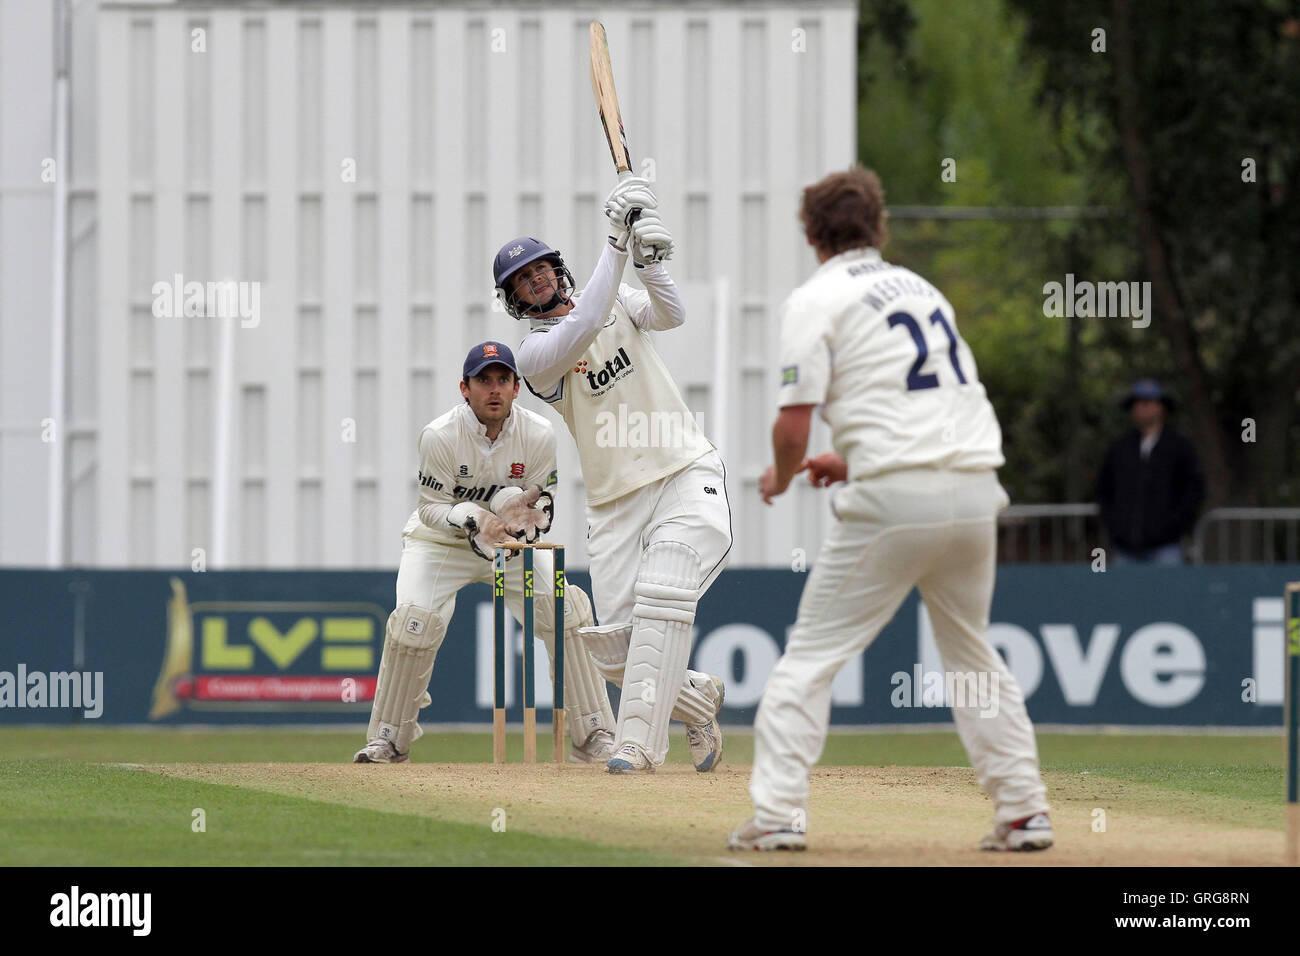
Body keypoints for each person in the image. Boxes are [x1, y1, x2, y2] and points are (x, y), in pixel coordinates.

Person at [728, 167, 1052, 852]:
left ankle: (779, 816)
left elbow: (792, 427)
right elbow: (925, 408)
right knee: (972, 656)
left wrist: (783, 476)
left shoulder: (815, 299)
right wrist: (847, 460)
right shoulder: (922, 289)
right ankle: (1024, 811)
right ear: (879, 228)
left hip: (899, 498)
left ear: (811, 234)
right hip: (973, 489)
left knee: (809, 659)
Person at [491, 176, 730, 774]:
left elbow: (672, 314)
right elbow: (587, 321)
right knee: (617, 652)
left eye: (541, 268)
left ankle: (637, 746)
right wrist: (618, 244)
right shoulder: (534, 357)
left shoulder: (619, 298)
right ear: (515, 299)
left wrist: (649, 262)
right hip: (613, 500)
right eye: (523, 280)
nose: (536, 279)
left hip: (681, 467)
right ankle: (698, 702)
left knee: (663, 594)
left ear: (557, 269)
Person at [353, 341, 618, 764]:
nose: (493, 389)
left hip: (510, 547)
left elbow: (537, 499)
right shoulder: (440, 436)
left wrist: (519, 521)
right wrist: (471, 519)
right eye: (483, 381)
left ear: (517, 387)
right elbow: (429, 507)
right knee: (413, 624)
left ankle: (593, 734)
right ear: (465, 388)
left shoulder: (538, 435)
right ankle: (388, 739)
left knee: (566, 611)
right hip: (443, 542)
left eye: (503, 380)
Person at [1095, 379, 1204, 564]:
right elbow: (1103, 489)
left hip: (1166, 548)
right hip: (1124, 548)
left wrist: (1174, 526)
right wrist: (1115, 525)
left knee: (1167, 592)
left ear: (1161, 407)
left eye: (1149, 402)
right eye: (1139, 403)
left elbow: (1194, 490)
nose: (1143, 408)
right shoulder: (1120, 448)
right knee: (1125, 592)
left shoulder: (1179, 447)